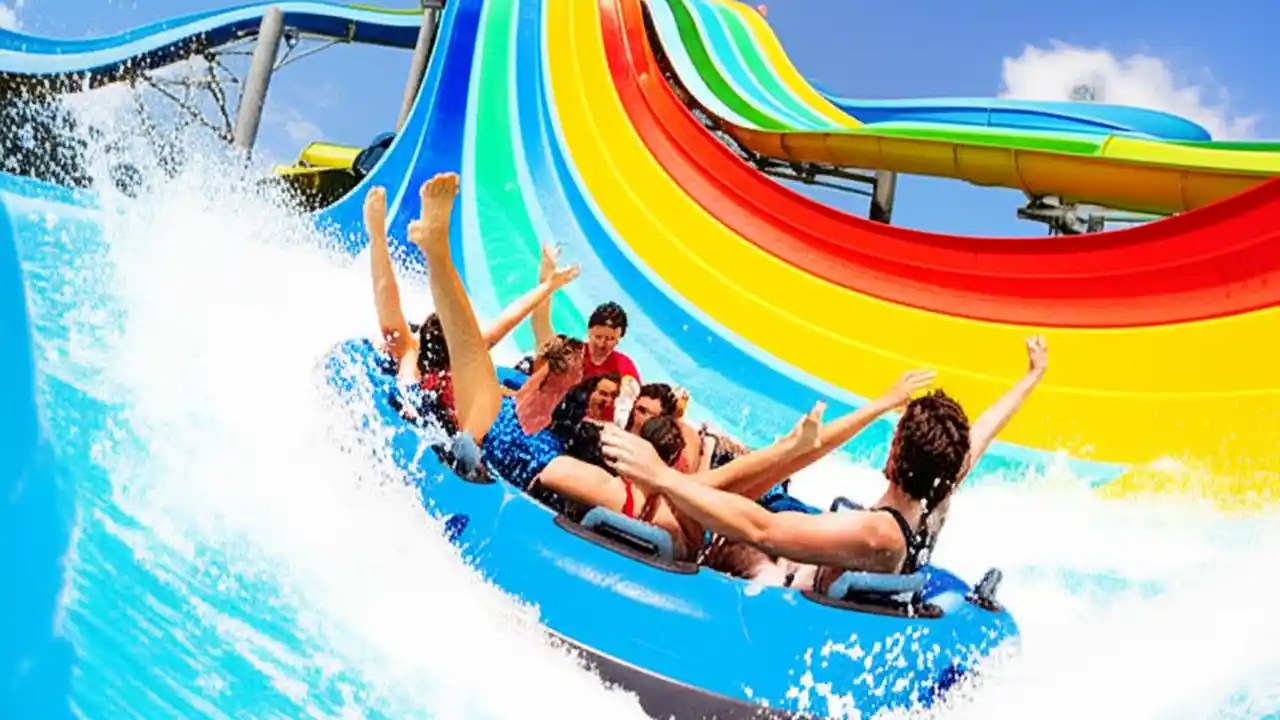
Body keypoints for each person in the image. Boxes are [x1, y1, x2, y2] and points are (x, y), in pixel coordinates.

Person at [599, 337, 1050, 591]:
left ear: (894, 453)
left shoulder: (879, 532)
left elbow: (763, 530)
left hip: (789, 597)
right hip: (816, 572)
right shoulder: (933, 501)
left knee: (742, 545)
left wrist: (660, 476)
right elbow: (981, 436)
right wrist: (1029, 380)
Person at [364, 185, 580, 429]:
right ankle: (435, 243)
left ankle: (433, 243)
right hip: (445, 422)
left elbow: (387, 300)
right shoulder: (465, 358)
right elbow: (508, 319)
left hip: (421, 412)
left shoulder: (409, 354)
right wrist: (549, 285)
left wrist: (377, 237)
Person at [531, 245, 642, 416]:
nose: (603, 343)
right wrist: (546, 279)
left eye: (611, 339)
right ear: (589, 331)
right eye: (598, 336)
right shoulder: (570, 352)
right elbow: (540, 322)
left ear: (620, 338)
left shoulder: (623, 367)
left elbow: (633, 405)